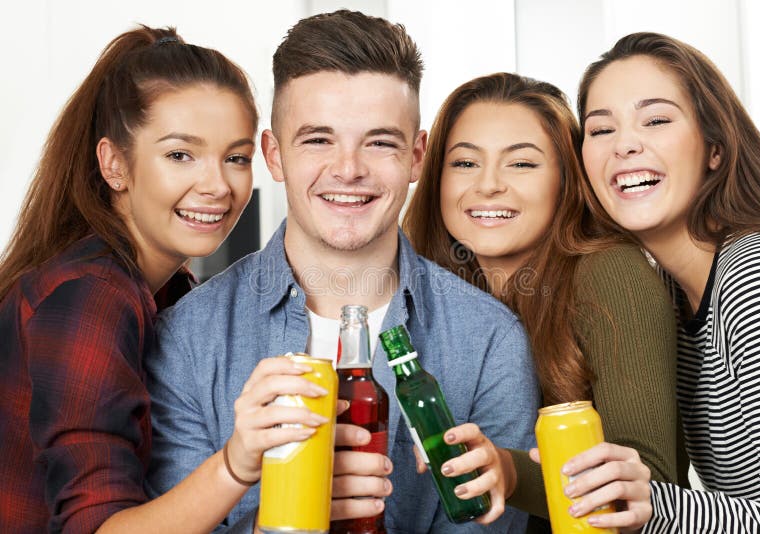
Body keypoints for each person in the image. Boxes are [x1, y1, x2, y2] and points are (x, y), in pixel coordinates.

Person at [144, 10, 537, 533]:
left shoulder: (491, 340)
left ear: (416, 156)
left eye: (380, 142)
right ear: (274, 155)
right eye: (318, 140)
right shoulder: (185, 338)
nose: (348, 169)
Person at [0, 26, 330, 534]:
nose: (217, 186)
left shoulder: (173, 293)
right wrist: (236, 465)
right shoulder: (91, 297)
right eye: (180, 155)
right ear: (114, 164)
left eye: (236, 158)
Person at [402, 72, 681, 531]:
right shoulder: (428, 287)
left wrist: (507, 471)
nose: (488, 185)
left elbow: (647, 483)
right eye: (465, 163)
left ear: (566, 180)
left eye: (521, 164)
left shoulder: (610, 274)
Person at [577, 32, 760, 532]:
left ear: (714, 149)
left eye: (656, 120)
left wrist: (653, 506)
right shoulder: (670, 289)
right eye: (601, 129)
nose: (625, 144)